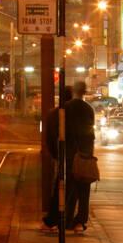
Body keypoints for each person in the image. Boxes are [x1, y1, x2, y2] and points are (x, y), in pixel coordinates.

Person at [64, 81, 96, 233]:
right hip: (85, 155)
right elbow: (91, 134)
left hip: (71, 156)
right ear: (84, 92)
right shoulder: (89, 109)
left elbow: (65, 133)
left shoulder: (67, 108)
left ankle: (68, 219)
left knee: (70, 190)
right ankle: (80, 222)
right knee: (84, 191)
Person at [41, 87, 73, 233]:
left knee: (59, 188)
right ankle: (61, 220)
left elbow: (48, 138)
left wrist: (55, 155)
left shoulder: (53, 114)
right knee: (70, 190)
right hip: (73, 156)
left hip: (61, 156)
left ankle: (54, 220)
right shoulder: (72, 114)